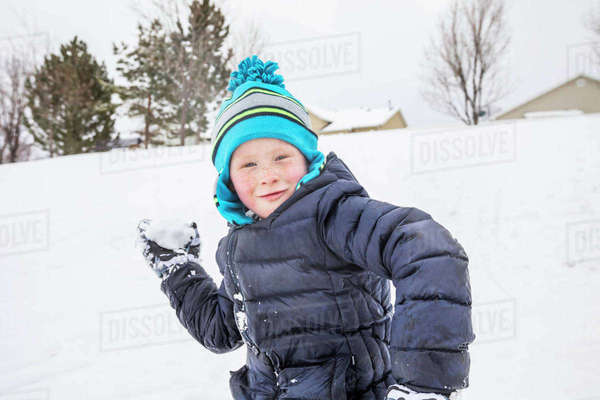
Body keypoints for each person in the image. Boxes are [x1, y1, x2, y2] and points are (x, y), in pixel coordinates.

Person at [137, 56, 475, 400]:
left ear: (307, 158)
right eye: (248, 164)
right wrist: (177, 269)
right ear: (228, 182)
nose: (267, 175)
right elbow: (221, 331)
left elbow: (428, 251)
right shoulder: (237, 248)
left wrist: (425, 384)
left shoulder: (336, 214)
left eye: (281, 157)